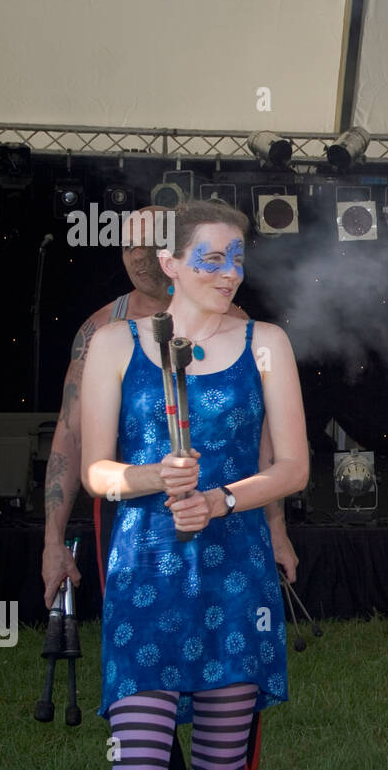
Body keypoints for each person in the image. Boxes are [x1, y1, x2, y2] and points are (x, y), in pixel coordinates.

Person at [80, 199, 308, 770]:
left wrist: (220, 500)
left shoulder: (268, 343)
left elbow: (294, 467)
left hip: (235, 573)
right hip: (145, 574)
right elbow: (95, 472)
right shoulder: (111, 343)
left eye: (237, 259)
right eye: (210, 259)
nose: (229, 272)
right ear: (171, 263)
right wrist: (154, 476)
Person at [42, 204, 298, 610]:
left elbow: (263, 441)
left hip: (232, 523)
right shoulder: (102, 332)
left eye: (150, 245)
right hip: (138, 526)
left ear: (173, 254)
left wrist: (277, 526)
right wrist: (53, 540)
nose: (140, 259)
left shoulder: (245, 329)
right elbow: (70, 435)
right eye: (130, 247)